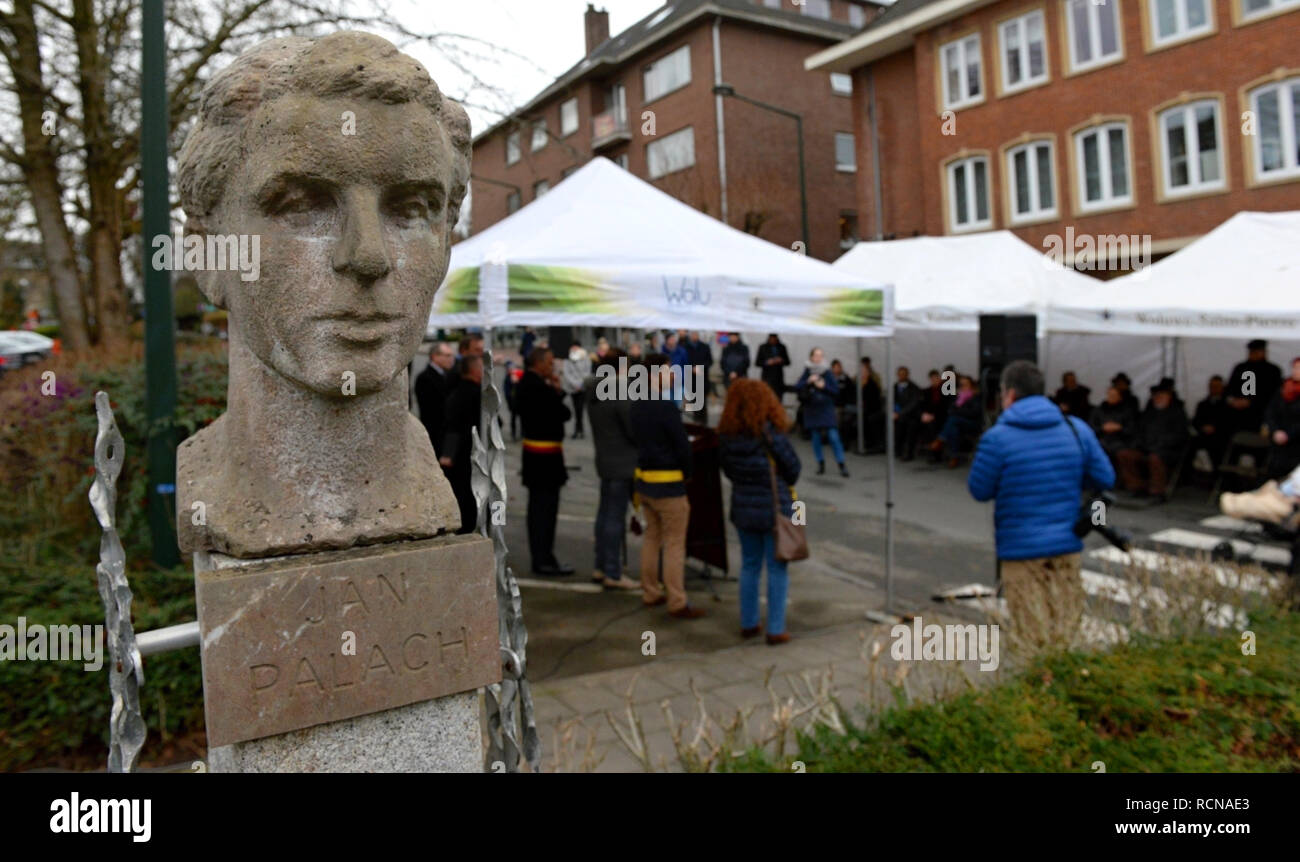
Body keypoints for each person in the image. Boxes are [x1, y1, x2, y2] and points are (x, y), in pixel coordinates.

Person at [967, 361, 1115, 651]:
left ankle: (1040, 691)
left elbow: (979, 490)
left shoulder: (997, 438)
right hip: (1067, 544)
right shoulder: (1076, 429)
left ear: (1008, 394)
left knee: (1031, 638)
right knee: (1065, 633)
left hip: (1021, 550)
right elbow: (1105, 478)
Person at [719, 378, 801, 645]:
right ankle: (776, 628)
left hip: (743, 507)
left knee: (749, 565)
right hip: (774, 509)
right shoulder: (770, 433)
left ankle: (749, 622)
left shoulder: (727, 435)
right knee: (777, 568)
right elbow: (793, 469)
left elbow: (728, 471)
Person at [630, 355, 703, 618]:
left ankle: (650, 592)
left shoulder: (636, 405)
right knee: (674, 544)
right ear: (652, 375)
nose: (672, 375)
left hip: (645, 483)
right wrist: (688, 473)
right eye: (667, 371)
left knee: (652, 538)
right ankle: (677, 601)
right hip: (669, 484)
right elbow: (682, 446)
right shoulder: (665, 407)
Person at [515, 346, 574, 575]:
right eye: (549, 363)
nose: (553, 367)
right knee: (544, 512)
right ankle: (543, 559)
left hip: (536, 457)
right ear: (538, 363)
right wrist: (557, 391)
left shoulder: (527, 384)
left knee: (540, 510)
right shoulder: (538, 387)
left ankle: (543, 556)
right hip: (545, 459)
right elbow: (563, 414)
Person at [585, 348, 640, 590]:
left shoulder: (595, 389)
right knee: (615, 518)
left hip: (606, 459)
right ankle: (612, 572)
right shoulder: (620, 392)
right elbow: (633, 429)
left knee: (605, 514)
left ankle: (600, 566)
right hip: (623, 462)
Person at [1116, 381, 1189, 501]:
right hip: (1146, 448)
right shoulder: (1149, 413)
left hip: (1166, 451)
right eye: (1155, 396)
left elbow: (1179, 436)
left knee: (1155, 458)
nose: (1157, 398)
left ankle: (1157, 491)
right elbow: (1138, 431)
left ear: (1168, 397)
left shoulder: (1177, 414)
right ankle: (1136, 486)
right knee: (1124, 454)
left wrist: (1159, 445)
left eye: (1161, 396)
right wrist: (1139, 444)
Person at [440, 353, 483, 535]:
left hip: (464, 452)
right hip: (468, 453)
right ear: (474, 371)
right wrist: (448, 453)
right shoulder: (472, 394)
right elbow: (454, 425)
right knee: (467, 494)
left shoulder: (460, 391)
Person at [795, 348, 849, 477]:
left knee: (833, 436)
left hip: (826, 408)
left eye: (820, 355)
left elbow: (835, 390)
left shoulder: (827, 372)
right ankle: (820, 463)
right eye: (816, 355)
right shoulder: (807, 371)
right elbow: (797, 387)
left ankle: (841, 464)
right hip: (812, 409)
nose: (818, 358)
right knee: (816, 438)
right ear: (811, 357)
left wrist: (823, 386)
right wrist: (808, 381)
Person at [1227, 339, 1283, 436]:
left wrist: (1251, 402)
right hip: (1238, 417)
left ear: (1264, 352)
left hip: (1261, 416)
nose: (1254, 354)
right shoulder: (1240, 368)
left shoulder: (1272, 371)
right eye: (1252, 352)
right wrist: (1233, 400)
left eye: (1257, 352)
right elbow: (1229, 389)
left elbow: (1273, 394)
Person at [414, 341, 456, 457]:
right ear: (434, 356)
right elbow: (431, 411)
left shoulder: (446, 374)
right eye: (447, 355)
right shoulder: (425, 378)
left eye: (452, 355)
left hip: (446, 434)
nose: (451, 359)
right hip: (436, 434)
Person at [932, 374, 982, 467]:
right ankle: (954, 457)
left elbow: (974, 413)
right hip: (958, 424)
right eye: (961, 385)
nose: (963, 387)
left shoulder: (975, 396)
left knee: (953, 420)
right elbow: (950, 410)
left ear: (971, 385)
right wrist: (959, 407)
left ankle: (940, 439)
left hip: (972, 423)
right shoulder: (957, 396)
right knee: (954, 429)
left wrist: (958, 411)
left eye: (965, 384)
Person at [1263, 357, 1300, 479]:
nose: (1295, 371)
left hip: (1296, 442)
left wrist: (1288, 434)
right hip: (1278, 440)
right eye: (1294, 368)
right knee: (1274, 472)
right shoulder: (1284, 387)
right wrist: (1275, 430)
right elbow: (1271, 411)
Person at [1089, 385, 1137, 465]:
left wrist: (1119, 428)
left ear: (1120, 397)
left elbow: (1132, 430)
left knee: (1123, 454)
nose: (1111, 397)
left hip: (1120, 443)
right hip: (1101, 442)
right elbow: (1090, 428)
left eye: (1114, 395)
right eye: (1109, 395)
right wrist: (1102, 428)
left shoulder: (1127, 411)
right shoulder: (1098, 410)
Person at [1192, 375, 1231, 469]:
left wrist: (1216, 428)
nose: (1214, 389)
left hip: (1221, 437)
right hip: (1203, 436)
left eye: (1217, 386)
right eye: (1212, 386)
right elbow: (1196, 421)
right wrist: (1203, 427)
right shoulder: (1202, 404)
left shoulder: (1228, 405)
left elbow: (1230, 422)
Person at [891, 366, 922, 460]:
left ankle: (909, 453)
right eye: (900, 374)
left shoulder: (914, 388)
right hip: (898, 414)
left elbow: (913, 404)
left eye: (903, 374)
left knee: (909, 425)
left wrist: (899, 413)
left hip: (911, 415)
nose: (901, 376)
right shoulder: (895, 386)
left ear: (907, 375)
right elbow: (890, 400)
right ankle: (896, 450)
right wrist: (892, 411)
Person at [561, 341, 591, 439]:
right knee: (576, 408)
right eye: (573, 347)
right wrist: (575, 384)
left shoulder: (586, 358)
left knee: (580, 409)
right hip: (572, 388)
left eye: (576, 347)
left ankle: (580, 430)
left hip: (582, 387)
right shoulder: (567, 359)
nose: (574, 349)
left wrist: (581, 384)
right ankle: (577, 430)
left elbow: (587, 371)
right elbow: (567, 373)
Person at [755, 333, 790, 399]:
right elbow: (757, 363)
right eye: (771, 339)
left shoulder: (782, 347)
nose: (773, 340)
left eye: (774, 339)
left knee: (777, 396)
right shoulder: (763, 347)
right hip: (767, 376)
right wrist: (767, 362)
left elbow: (788, 362)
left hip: (778, 377)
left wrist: (781, 360)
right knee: (765, 396)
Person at [503, 359, 523, 441]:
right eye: (510, 368)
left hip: (520, 402)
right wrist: (509, 404)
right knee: (513, 418)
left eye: (513, 368)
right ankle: (513, 433)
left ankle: (523, 433)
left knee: (522, 418)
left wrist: (517, 382)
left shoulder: (519, 376)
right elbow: (507, 393)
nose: (511, 370)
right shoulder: (507, 379)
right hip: (513, 403)